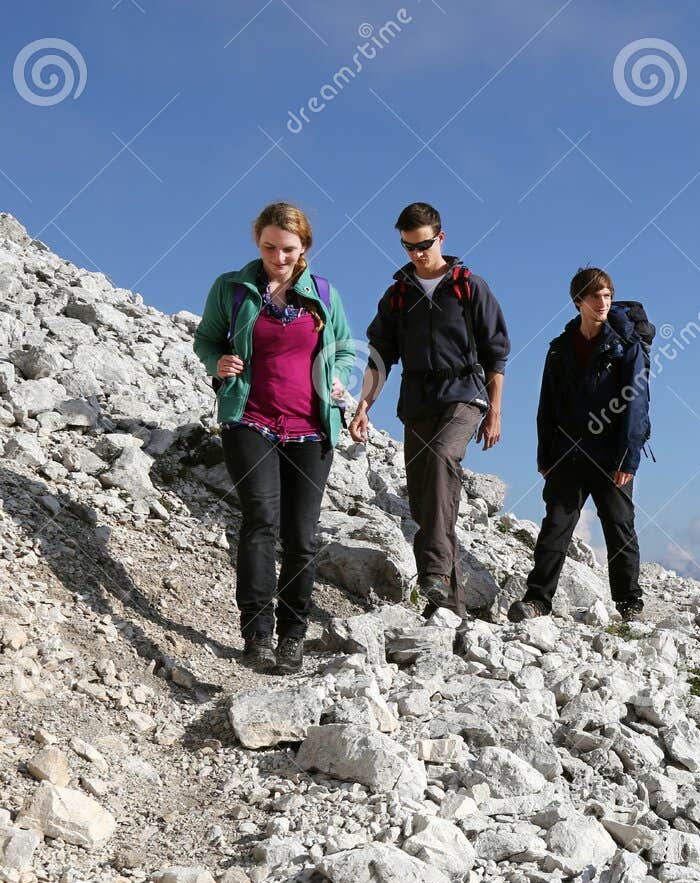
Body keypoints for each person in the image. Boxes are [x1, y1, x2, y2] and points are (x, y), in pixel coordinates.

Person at [192, 202, 360, 673]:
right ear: (257, 242)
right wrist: (218, 364)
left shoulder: (323, 293)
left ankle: (292, 635)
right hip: (250, 418)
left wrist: (338, 378)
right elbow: (207, 339)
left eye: (287, 249)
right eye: (269, 247)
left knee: (302, 535)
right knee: (261, 519)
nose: (277, 257)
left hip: (310, 427)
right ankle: (257, 634)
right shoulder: (232, 288)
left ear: (304, 247)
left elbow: (345, 347)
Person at [349, 202, 510, 617]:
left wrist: (495, 411)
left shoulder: (469, 287)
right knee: (427, 502)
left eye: (423, 244)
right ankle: (449, 611)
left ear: (440, 237)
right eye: (408, 247)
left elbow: (496, 353)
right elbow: (380, 356)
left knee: (441, 459)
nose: (418, 253)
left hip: (465, 395)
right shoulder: (398, 295)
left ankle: (433, 575)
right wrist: (364, 405)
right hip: (417, 401)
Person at [509, 267, 650, 623]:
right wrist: (545, 454)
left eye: (607, 295)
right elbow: (547, 405)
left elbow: (636, 404)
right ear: (578, 302)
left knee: (619, 526)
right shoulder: (558, 349)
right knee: (556, 524)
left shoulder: (625, 347)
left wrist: (628, 458)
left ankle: (629, 605)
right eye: (595, 296)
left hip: (611, 453)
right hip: (567, 452)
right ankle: (538, 600)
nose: (603, 302)